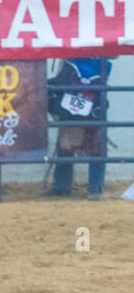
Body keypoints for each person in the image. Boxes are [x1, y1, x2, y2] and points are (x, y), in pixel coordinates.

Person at [47, 57, 110, 200]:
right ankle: (95, 189)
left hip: (71, 109)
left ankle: (62, 187)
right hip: (93, 108)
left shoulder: (71, 63)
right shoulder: (103, 65)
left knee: (66, 146)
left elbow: (59, 82)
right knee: (96, 147)